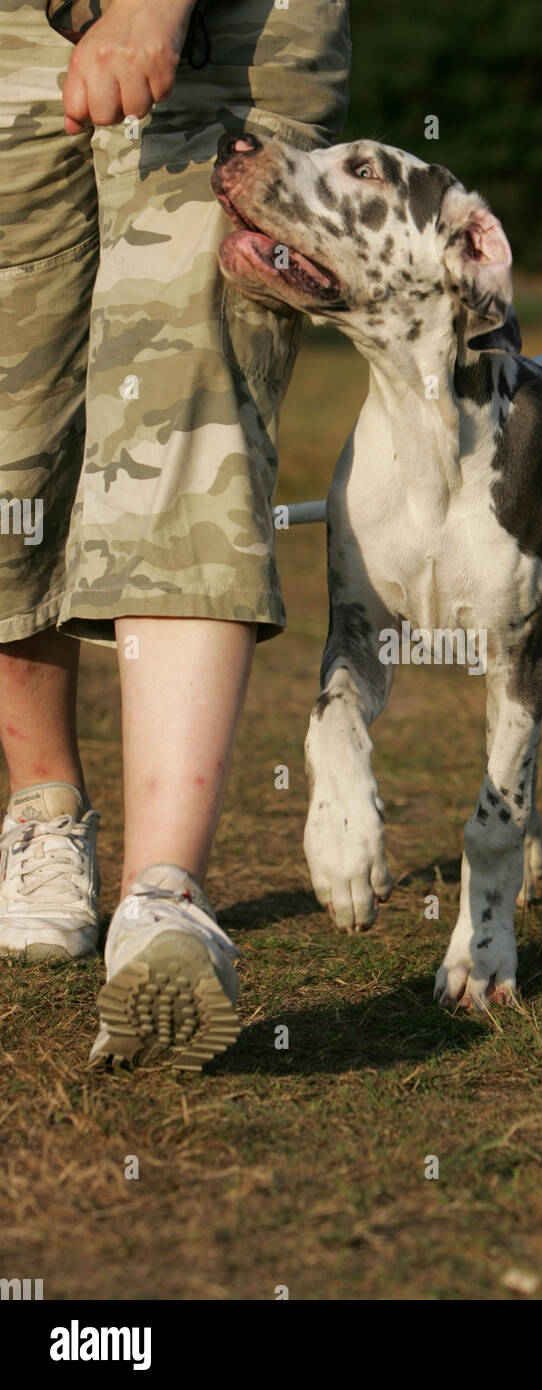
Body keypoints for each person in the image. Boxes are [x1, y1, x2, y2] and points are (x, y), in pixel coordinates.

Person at [0, 0, 351, 1068]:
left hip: (233, 27)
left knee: (188, 401)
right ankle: (43, 807)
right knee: (11, 436)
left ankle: (164, 897)